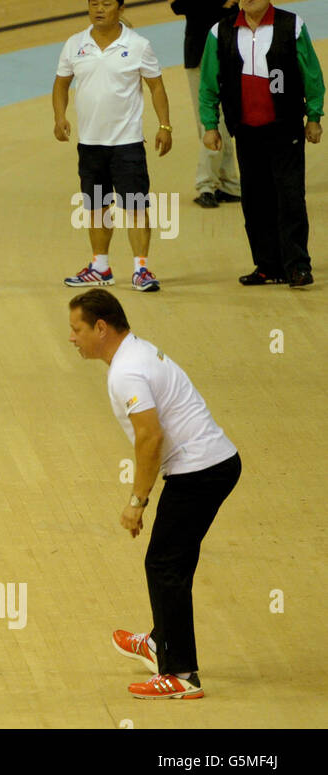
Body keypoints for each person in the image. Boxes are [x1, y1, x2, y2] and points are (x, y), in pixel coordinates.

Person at [68, 289, 241, 700]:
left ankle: (180, 674)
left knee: (164, 565)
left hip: (200, 472)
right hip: (210, 465)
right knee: (172, 562)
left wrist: (136, 502)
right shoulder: (135, 354)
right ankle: (161, 642)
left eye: (76, 329)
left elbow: (150, 438)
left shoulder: (127, 370)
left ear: (101, 327)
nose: (72, 338)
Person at [198, 0, 324, 288]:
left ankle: (297, 265)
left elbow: (312, 75)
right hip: (246, 130)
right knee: (254, 199)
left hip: (285, 128)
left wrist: (314, 116)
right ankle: (267, 265)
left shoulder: (292, 25)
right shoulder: (220, 31)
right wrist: (210, 125)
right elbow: (209, 84)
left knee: (290, 197)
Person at [54, 0, 172, 293]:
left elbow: (156, 87)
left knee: (134, 205)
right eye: (94, 4)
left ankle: (141, 270)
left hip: (127, 143)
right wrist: (59, 117)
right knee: (95, 207)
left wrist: (165, 126)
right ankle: (100, 267)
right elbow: (61, 84)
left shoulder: (138, 44)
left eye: (106, 4)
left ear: (120, 9)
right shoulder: (74, 44)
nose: (99, 9)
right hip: (90, 144)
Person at [167, 0, 245, 208]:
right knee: (210, 118)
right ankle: (220, 184)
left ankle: (218, 184)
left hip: (227, 47)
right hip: (198, 50)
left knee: (221, 117)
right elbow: (178, 7)